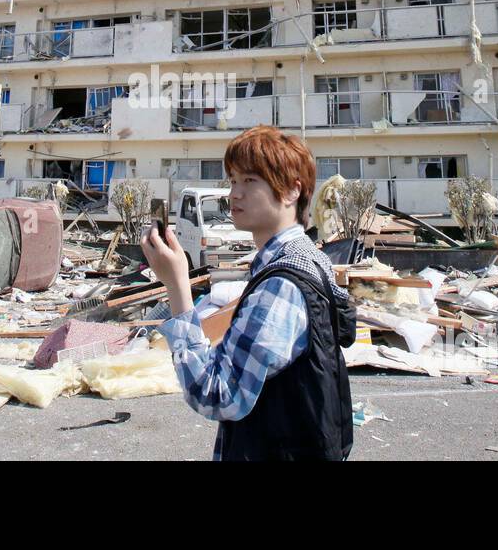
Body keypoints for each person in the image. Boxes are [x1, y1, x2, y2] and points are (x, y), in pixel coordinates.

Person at [141, 125, 354, 461]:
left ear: (291, 192)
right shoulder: (309, 258)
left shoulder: (282, 285)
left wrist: (177, 287)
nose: (234, 193)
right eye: (233, 180)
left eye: (250, 181)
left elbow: (216, 393)